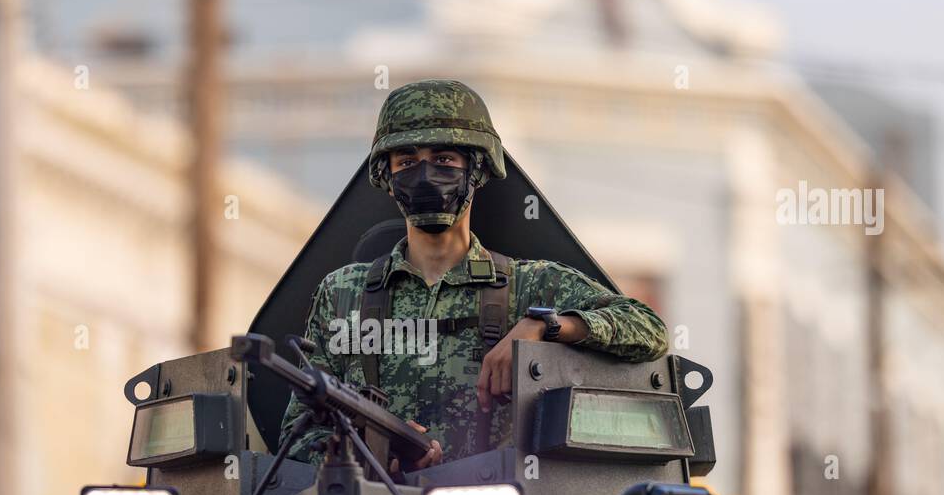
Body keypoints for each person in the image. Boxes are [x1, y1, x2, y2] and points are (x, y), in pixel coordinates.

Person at [279, 78, 667, 468]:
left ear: (477, 168)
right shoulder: (344, 293)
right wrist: (371, 449)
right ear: (388, 176)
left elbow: (648, 330)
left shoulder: (529, 286)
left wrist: (542, 329)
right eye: (408, 162)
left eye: (444, 159)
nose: (425, 175)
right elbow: (298, 437)